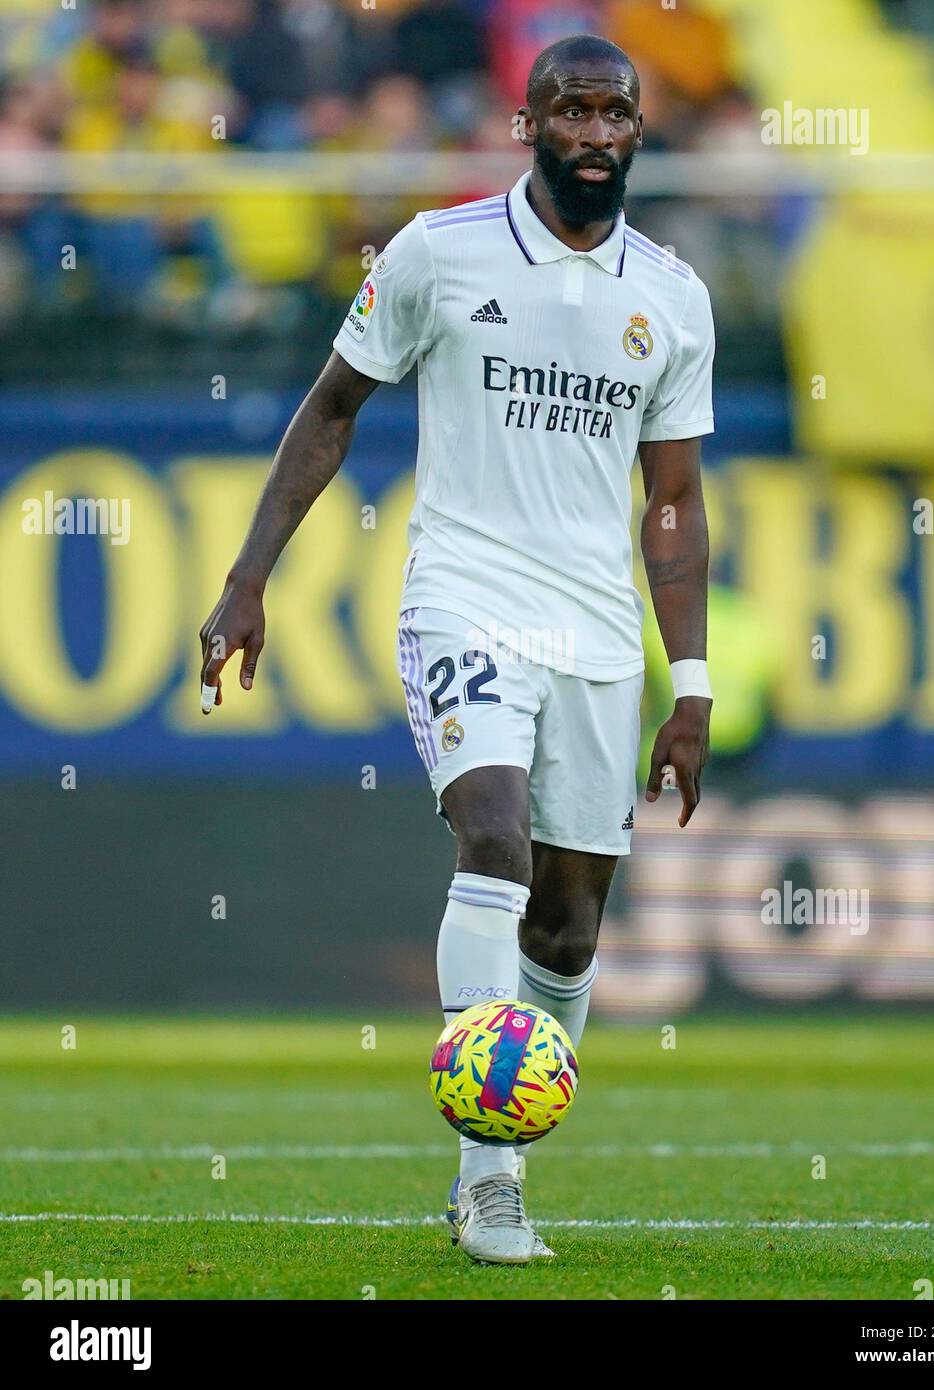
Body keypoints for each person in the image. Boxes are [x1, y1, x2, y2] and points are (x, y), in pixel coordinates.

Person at [199, 33, 715, 1266]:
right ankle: (490, 1184)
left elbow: (673, 503)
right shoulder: (438, 251)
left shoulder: (673, 295)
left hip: (595, 627)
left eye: (615, 112)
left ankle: (503, 1149)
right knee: (492, 835)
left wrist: (686, 682)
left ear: (637, 131)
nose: (595, 132)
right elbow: (331, 408)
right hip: (465, 597)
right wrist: (246, 576)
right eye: (570, 110)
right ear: (524, 123)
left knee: (570, 927)